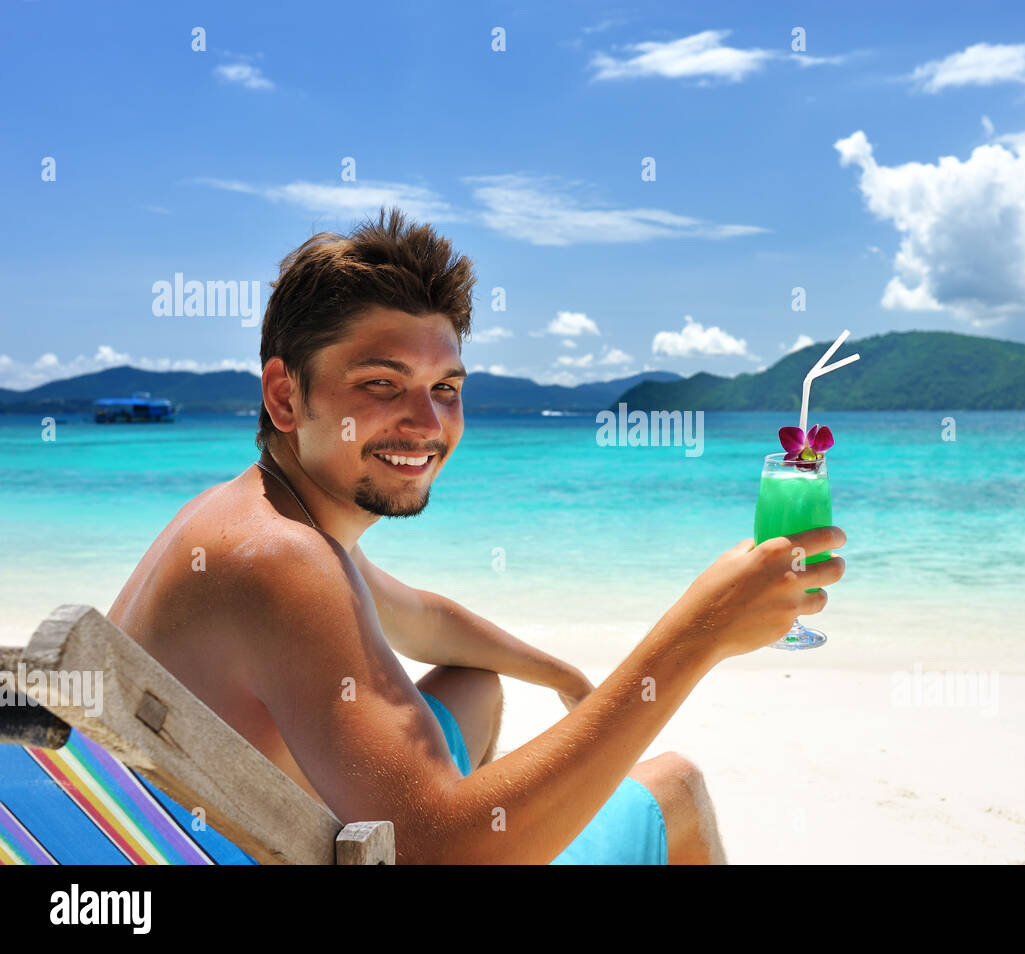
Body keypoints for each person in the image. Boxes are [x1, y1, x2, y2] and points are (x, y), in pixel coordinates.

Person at [106, 208, 847, 864]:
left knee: (475, 687)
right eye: (381, 384)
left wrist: (558, 675)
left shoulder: (251, 517)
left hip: (219, 833)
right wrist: (701, 633)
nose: (427, 426)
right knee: (675, 787)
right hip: (365, 850)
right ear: (284, 395)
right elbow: (436, 855)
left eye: (446, 389)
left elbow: (422, 619)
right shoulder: (282, 561)